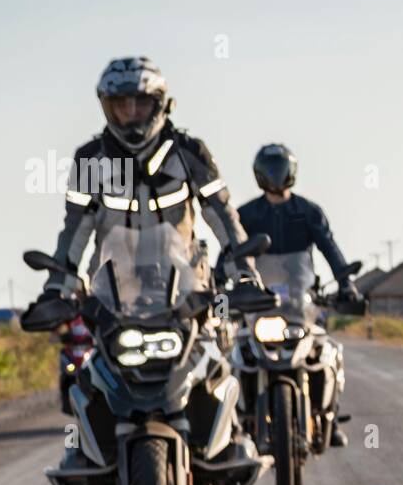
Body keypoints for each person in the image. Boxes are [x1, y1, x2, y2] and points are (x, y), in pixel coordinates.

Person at [30, 56, 266, 464]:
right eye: (121, 105)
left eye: (140, 103)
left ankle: (231, 440)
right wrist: (58, 285)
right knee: (90, 372)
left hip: (185, 287)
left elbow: (223, 216)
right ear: (107, 107)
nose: (131, 113)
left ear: (160, 104)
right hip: (114, 291)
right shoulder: (90, 160)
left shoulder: (190, 152)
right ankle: (89, 452)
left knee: (217, 355)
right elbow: (75, 230)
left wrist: (242, 271)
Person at [236, 144, 360, 447]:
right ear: (260, 175)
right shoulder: (246, 215)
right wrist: (221, 283)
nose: (276, 178)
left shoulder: (308, 211)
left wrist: (346, 283)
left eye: (281, 171)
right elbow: (232, 252)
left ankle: (330, 411)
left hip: (299, 301)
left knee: (327, 349)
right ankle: (238, 421)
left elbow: (329, 248)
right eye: (271, 172)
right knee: (235, 354)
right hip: (260, 304)